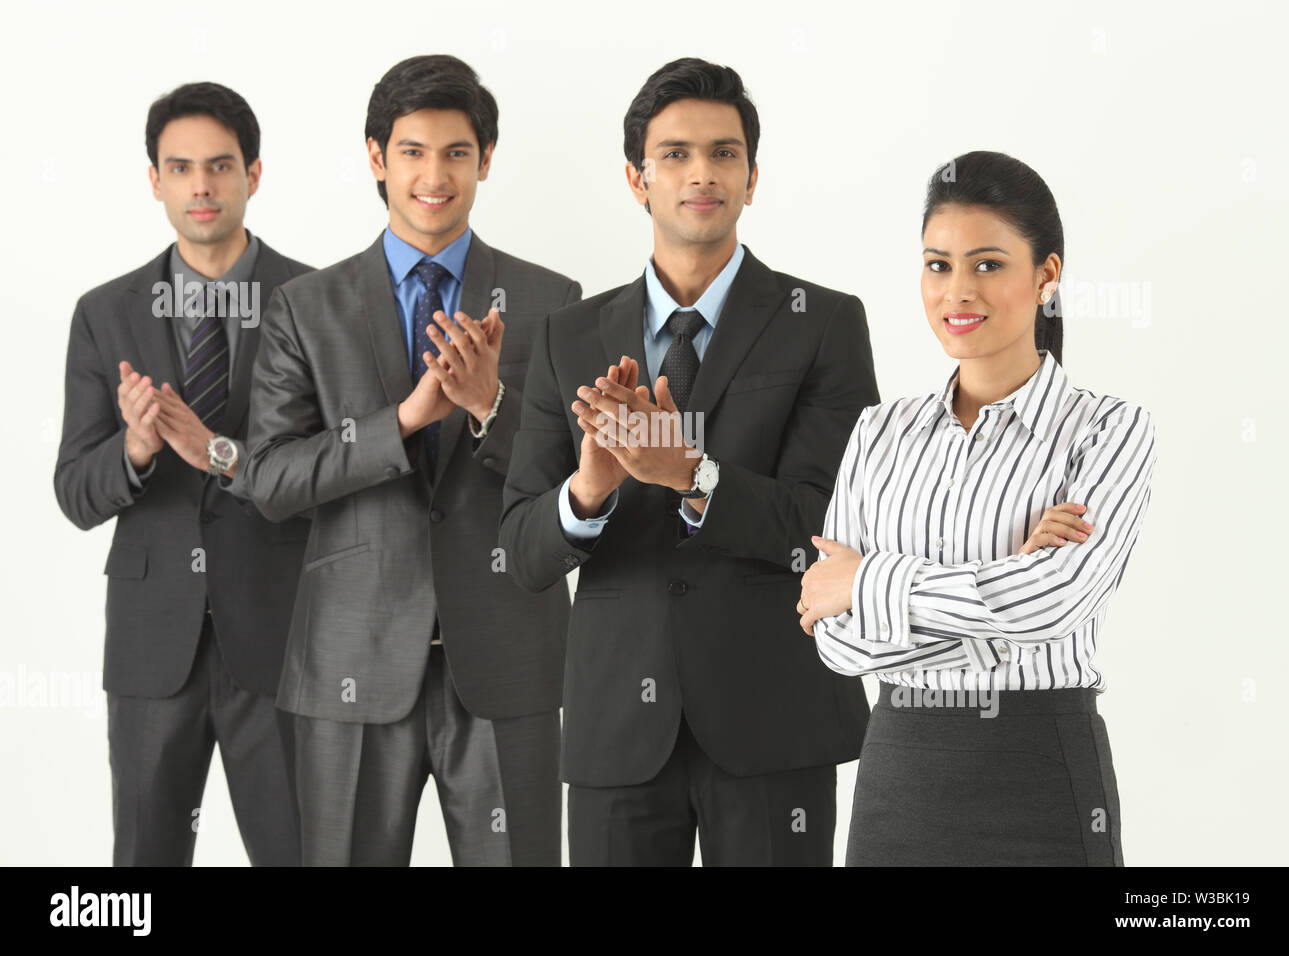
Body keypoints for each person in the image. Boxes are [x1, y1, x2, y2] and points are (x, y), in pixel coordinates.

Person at [500, 57, 878, 866]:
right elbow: (522, 553)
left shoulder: (824, 324)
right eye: (674, 154)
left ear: (751, 176)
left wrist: (691, 477)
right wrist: (590, 489)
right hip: (615, 731)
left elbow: (824, 527)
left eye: (724, 153)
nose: (701, 173)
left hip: (773, 720)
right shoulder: (568, 336)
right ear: (638, 179)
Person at [243, 54, 580, 866]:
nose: (435, 175)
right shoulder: (305, 307)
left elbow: (575, 490)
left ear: (486, 161)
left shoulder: (551, 302)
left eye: (457, 153)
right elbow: (269, 481)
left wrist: (490, 410)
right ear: (376, 158)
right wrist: (401, 422)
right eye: (412, 152)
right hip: (350, 667)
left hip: (508, 663)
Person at [800, 150, 1156, 866]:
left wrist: (868, 582)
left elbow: (1055, 604)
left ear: (1046, 276)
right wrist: (1007, 579)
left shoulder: (1108, 429)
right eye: (938, 265)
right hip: (898, 775)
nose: (957, 291)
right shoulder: (881, 432)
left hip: (1042, 773)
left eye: (988, 264)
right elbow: (835, 646)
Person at [53, 82, 311, 865]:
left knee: (302, 851)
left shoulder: (315, 300)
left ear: (253, 174)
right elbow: (73, 490)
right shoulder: (106, 312)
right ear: (155, 179)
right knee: (143, 862)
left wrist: (223, 455)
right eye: (181, 168)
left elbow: (336, 472)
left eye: (220, 166)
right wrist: (134, 451)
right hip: (151, 640)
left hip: (281, 631)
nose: (201, 186)